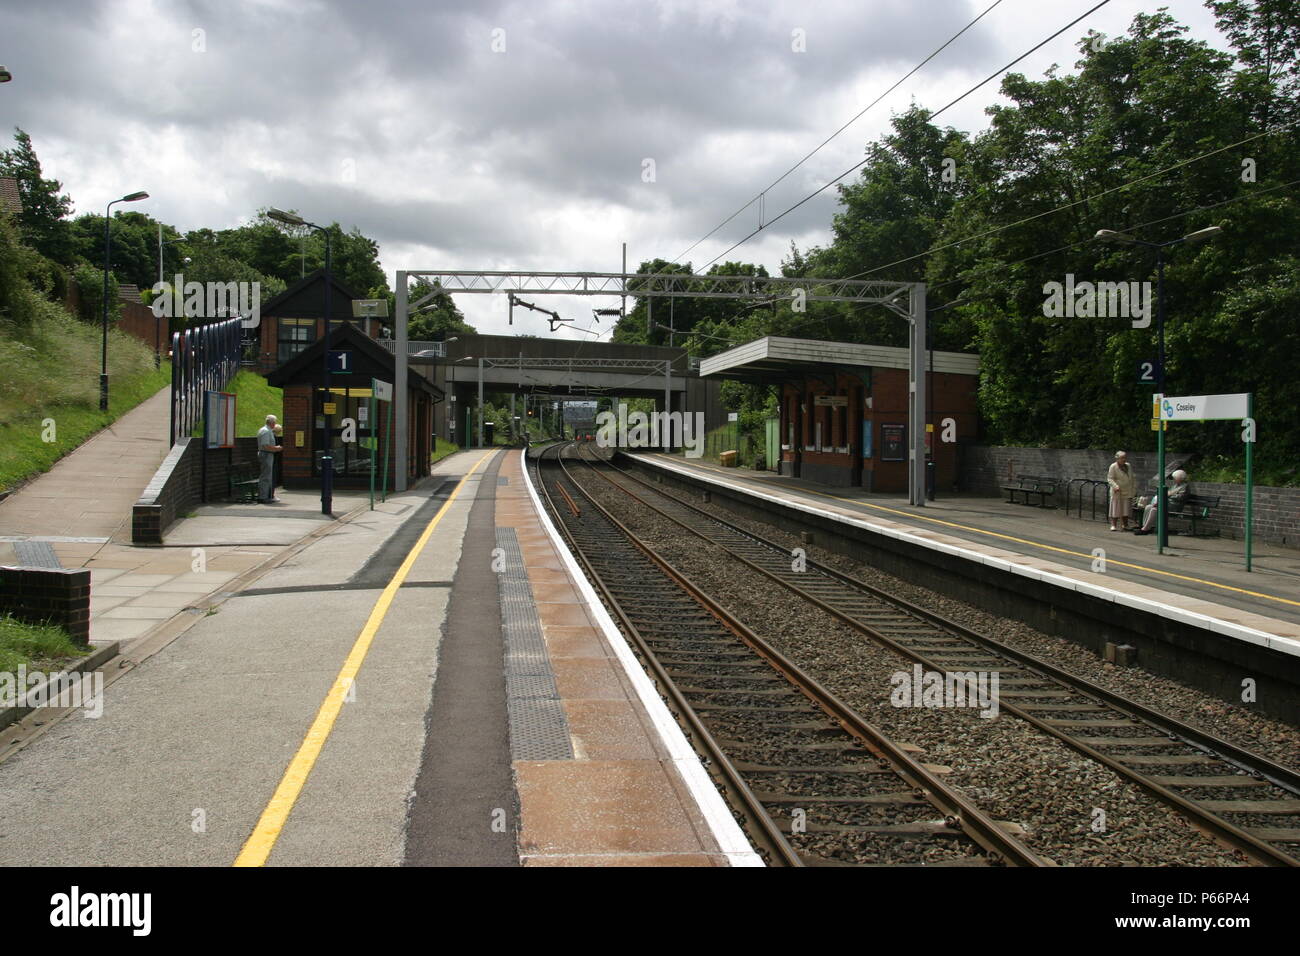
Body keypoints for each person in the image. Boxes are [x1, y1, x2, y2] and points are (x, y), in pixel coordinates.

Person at [1134, 469, 1190, 535]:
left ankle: (1145, 529)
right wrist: (1168, 495)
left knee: (1154, 509)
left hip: (1174, 505)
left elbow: (1180, 497)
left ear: (1180, 478)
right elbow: (1167, 493)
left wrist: (1169, 495)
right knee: (1148, 507)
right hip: (1167, 503)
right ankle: (1145, 527)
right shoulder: (1175, 486)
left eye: (1175, 478)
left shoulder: (1185, 486)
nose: (1173, 479)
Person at [1106, 451, 1136, 532]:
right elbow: (1110, 478)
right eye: (1122, 458)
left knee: (1126, 509)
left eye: (1125, 457)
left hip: (1127, 490)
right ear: (1117, 458)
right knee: (1115, 508)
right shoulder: (1113, 466)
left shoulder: (1128, 465)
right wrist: (1115, 486)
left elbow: (1132, 478)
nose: (1124, 459)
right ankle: (1113, 525)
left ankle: (1125, 525)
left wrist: (1134, 489)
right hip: (1117, 491)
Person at [257, 414, 283, 503]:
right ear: (271, 423)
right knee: (266, 476)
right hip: (266, 454)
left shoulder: (267, 430)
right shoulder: (266, 431)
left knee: (267, 475)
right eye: (274, 422)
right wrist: (277, 448)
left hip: (267, 454)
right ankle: (263, 497)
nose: (275, 424)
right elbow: (266, 446)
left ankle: (267, 495)